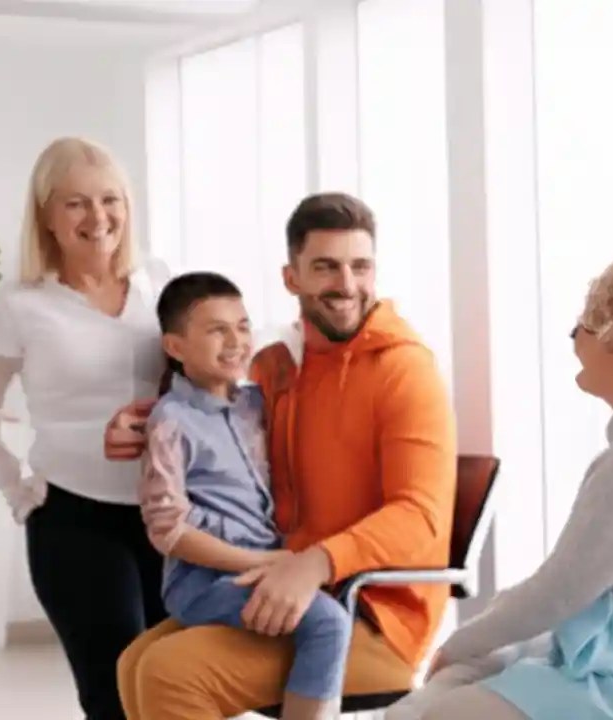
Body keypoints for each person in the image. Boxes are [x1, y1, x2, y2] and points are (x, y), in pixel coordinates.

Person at [112, 192, 457, 719]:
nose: (346, 284)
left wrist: (316, 563)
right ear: (291, 278)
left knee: (170, 672)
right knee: (134, 661)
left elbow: (420, 515)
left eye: (360, 266)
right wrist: (135, 424)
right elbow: (211, 411)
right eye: (325, 267)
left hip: (373, 616)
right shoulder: (280, 366)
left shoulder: (404, 370)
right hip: (285, 578)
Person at [385, 256, 613, 720]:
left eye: (583, 327)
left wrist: (460, 642)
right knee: (457, 681)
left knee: (446, 710)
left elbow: (558, 592)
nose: (574, 340)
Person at [0, 136, 171, 719]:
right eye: (75, 203)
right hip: (76, 521)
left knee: (175, 688)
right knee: (114, 695)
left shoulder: (157, 281)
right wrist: (15, 487)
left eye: (109, 199)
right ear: (46, 215)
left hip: (167, 515)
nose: (97, 217)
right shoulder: (17, 302)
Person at [141, 271, 352, 720]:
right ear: (175, 347)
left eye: (242, 326)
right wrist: (261, 562)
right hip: (203, 581)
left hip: (267, 562)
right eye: (217, 330)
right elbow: (168, 531)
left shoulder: (255, 404)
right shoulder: (171, 421)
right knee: (329, 622)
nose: (236, 341)